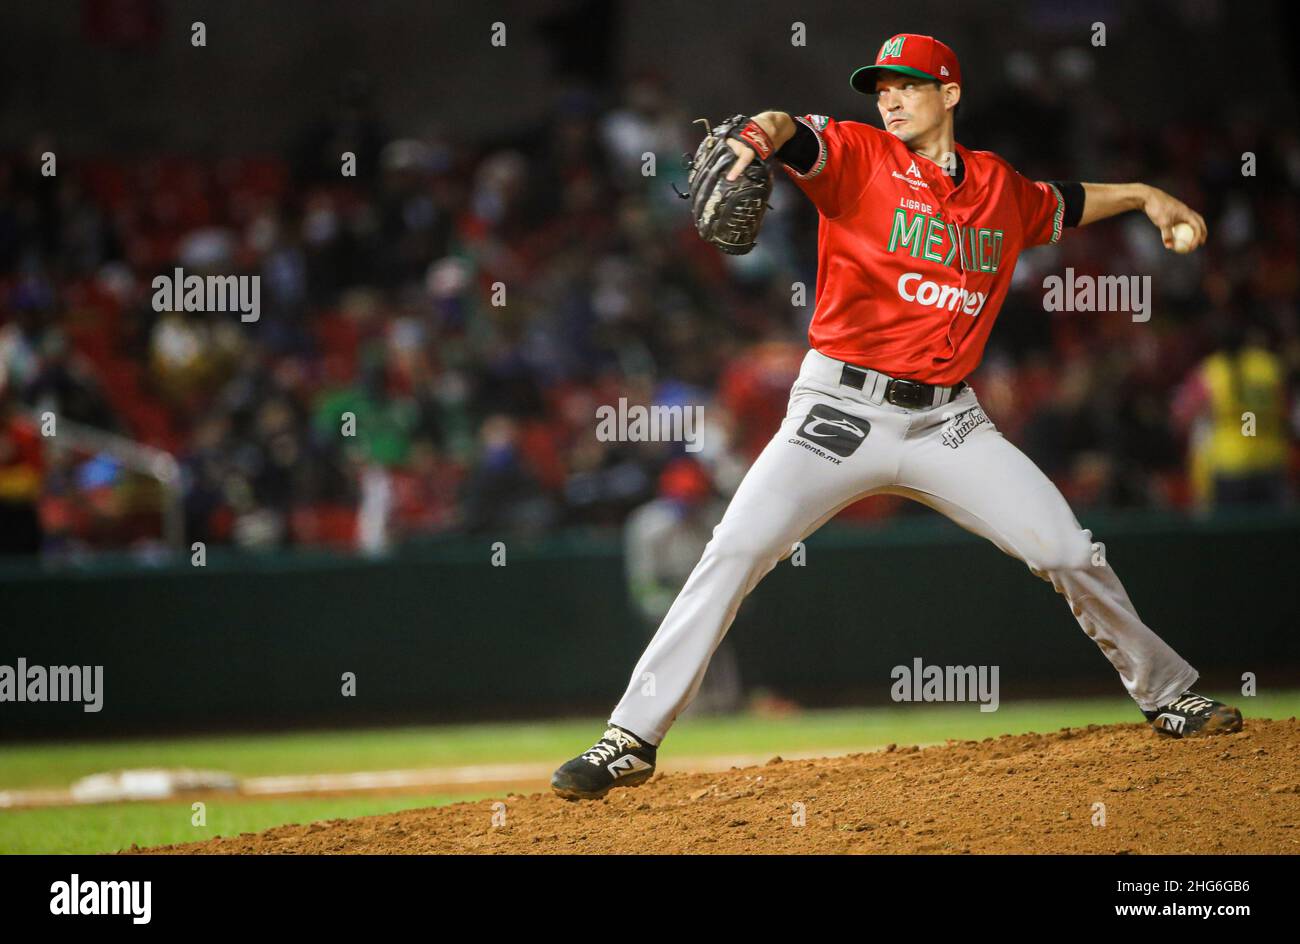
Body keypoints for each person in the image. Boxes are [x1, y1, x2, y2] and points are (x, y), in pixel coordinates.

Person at [552, 34, 1241, 801]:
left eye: (908, 85)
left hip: (950, 422)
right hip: (839, 410)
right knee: (736, 549)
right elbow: (786, 126)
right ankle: (631, 737)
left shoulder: (999, 189)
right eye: (881, 88)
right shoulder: (858, 158)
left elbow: (1067, 202)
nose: (889, 98)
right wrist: (752, 136)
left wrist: (1147, 195)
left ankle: (1168, 694)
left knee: (1069, 552)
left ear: (950, 94)